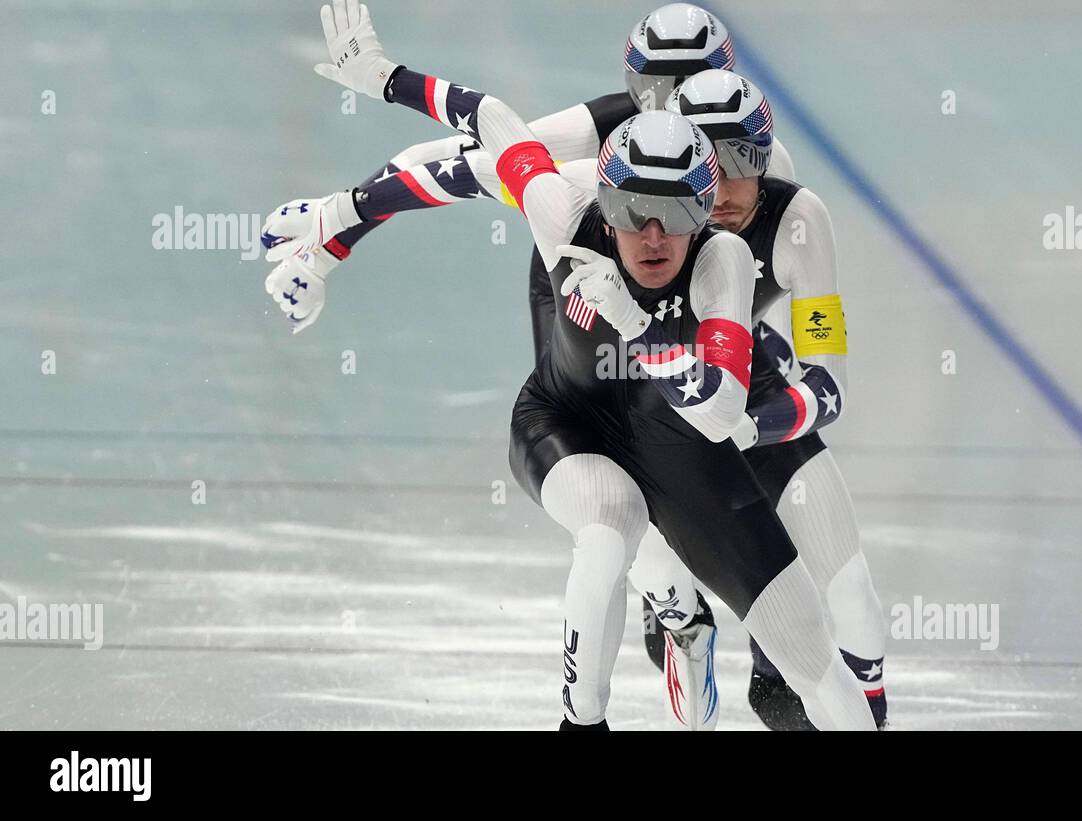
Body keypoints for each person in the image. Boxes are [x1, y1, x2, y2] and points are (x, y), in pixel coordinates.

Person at [261, 5, 890, 731]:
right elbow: (471, 155)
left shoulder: (762, 234)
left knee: (844, 610)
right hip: (608, 382)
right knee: (608, 527)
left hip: (709, 387)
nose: (689, 214)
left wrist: (736, 409)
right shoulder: (578, 190)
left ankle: (706, 619)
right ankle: (668, 608)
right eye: (639, 205)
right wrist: (338, 220)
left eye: (731, 172)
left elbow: (796, 389)